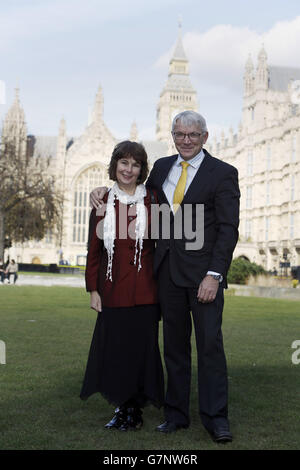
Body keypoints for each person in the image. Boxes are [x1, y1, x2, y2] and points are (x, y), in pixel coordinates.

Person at [90, 111, 240, 443]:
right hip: (168, 275)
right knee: (174, 348)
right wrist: (104, 188)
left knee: (210, 347)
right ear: (173, 135)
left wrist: (214, 275)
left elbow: (228, 229)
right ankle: (176, 414)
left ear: (205, 136)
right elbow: (133, 191)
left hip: (204, 278)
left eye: (193, 135)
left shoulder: (223, 173)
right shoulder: (160, 169)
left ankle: (216, 418)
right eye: (180, 134)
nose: (186, 140)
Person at [80, 140, 164, 431]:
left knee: (142, 351)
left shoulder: (153, 200)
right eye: (124, 163)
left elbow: (167, 244)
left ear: (142, 169)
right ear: (115, 165)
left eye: (136, 164)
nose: (129, 169)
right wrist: (93, 290)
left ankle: (136, 409)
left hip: (146, 291)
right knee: (116, 351)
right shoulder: (102, 202)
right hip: (112, 290)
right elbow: (94, 251)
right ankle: (121, 408)